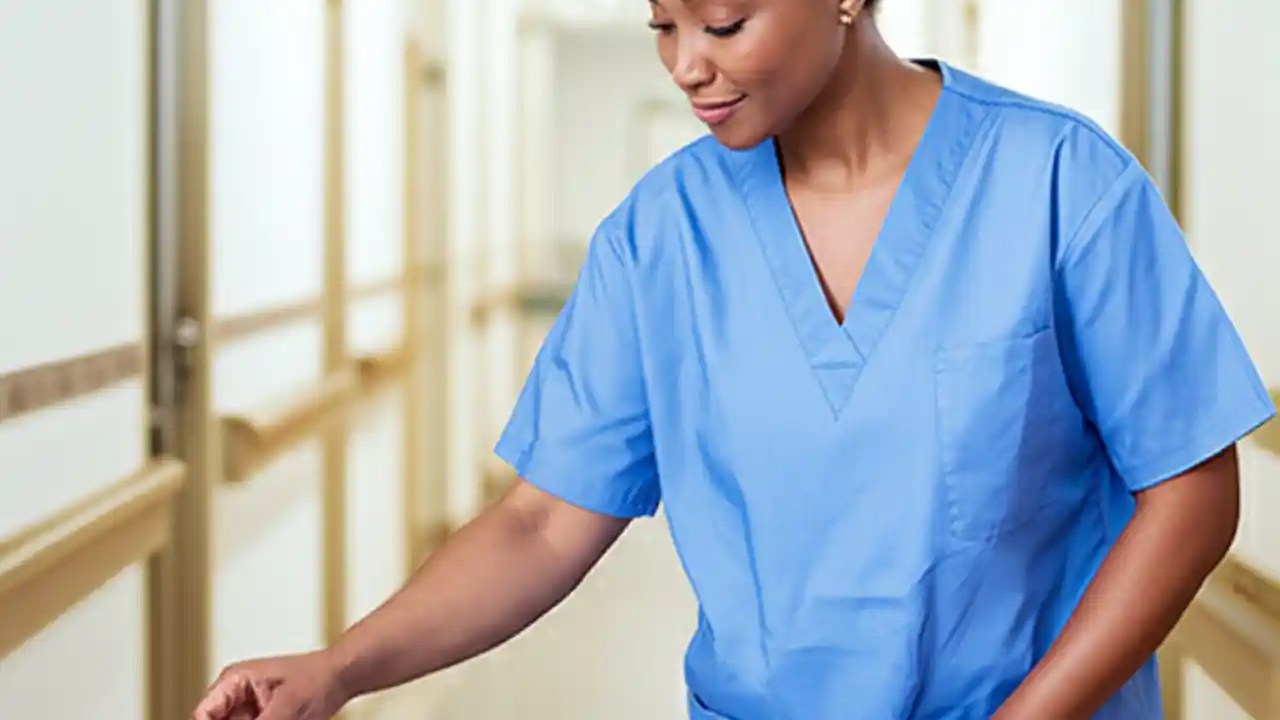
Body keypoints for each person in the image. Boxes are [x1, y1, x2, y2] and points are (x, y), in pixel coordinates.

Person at [193, 0, 1277, 718]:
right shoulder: (660, 235)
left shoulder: (1054, 181)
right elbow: (542, 519)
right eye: (661, 24)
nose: (684, 65)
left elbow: (1187, 486)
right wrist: (338, 670)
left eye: (721, 20)